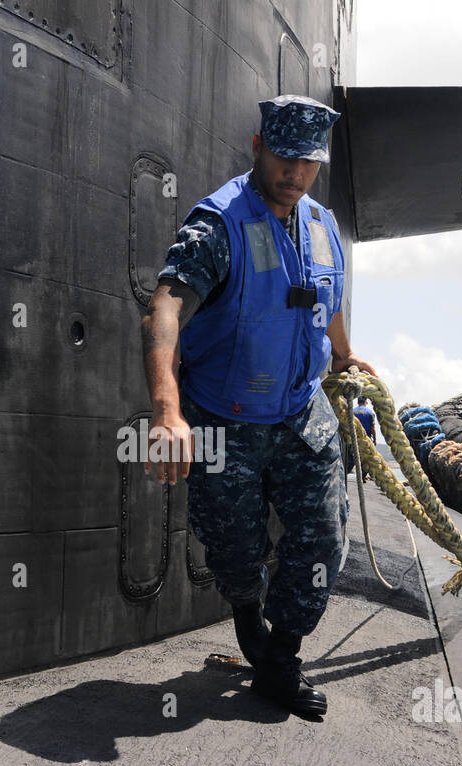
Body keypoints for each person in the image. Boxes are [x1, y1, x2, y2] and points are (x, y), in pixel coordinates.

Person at [139, 94, 379, 718]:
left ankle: (281, 660)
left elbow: (325, 296)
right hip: (225, 417)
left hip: (301, 410)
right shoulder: (218, 225)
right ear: (258, 147)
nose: (294, 173)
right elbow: (164, 307)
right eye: (284, 157)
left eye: (307, 162)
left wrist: (346, 355)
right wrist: (168, 408)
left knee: (324, 539)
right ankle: (252, 628)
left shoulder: (323, 226)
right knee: (236, 551)